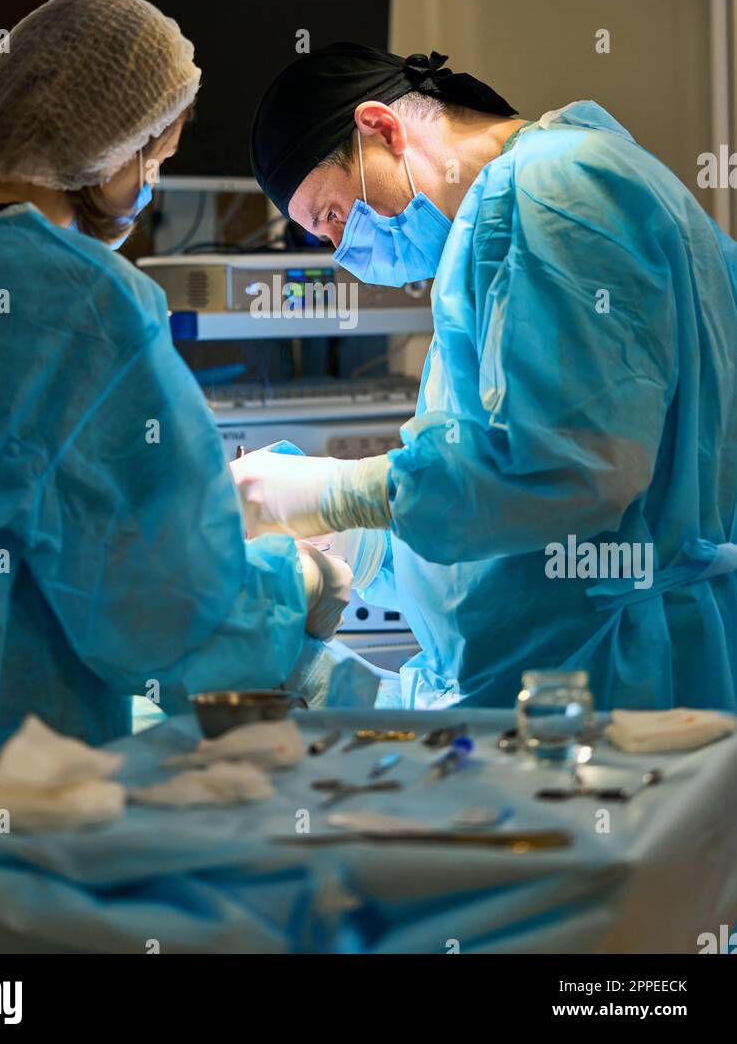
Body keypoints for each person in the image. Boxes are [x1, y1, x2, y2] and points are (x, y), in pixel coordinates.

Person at [0, 0, 349, 933]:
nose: (149, 190)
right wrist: (298, 587)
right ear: (107, 147)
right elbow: (167, 609)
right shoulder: (82, 304)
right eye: (154, 161)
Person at [233, 41, 737, 713]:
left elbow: (570, 473)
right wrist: (365, 544)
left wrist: (341, 490)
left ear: (381, 129)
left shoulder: (549, 194)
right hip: (587, 665)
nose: (342, 249)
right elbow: (508, 515)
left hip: (609, 682)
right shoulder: (515, 218)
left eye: (332, 215)